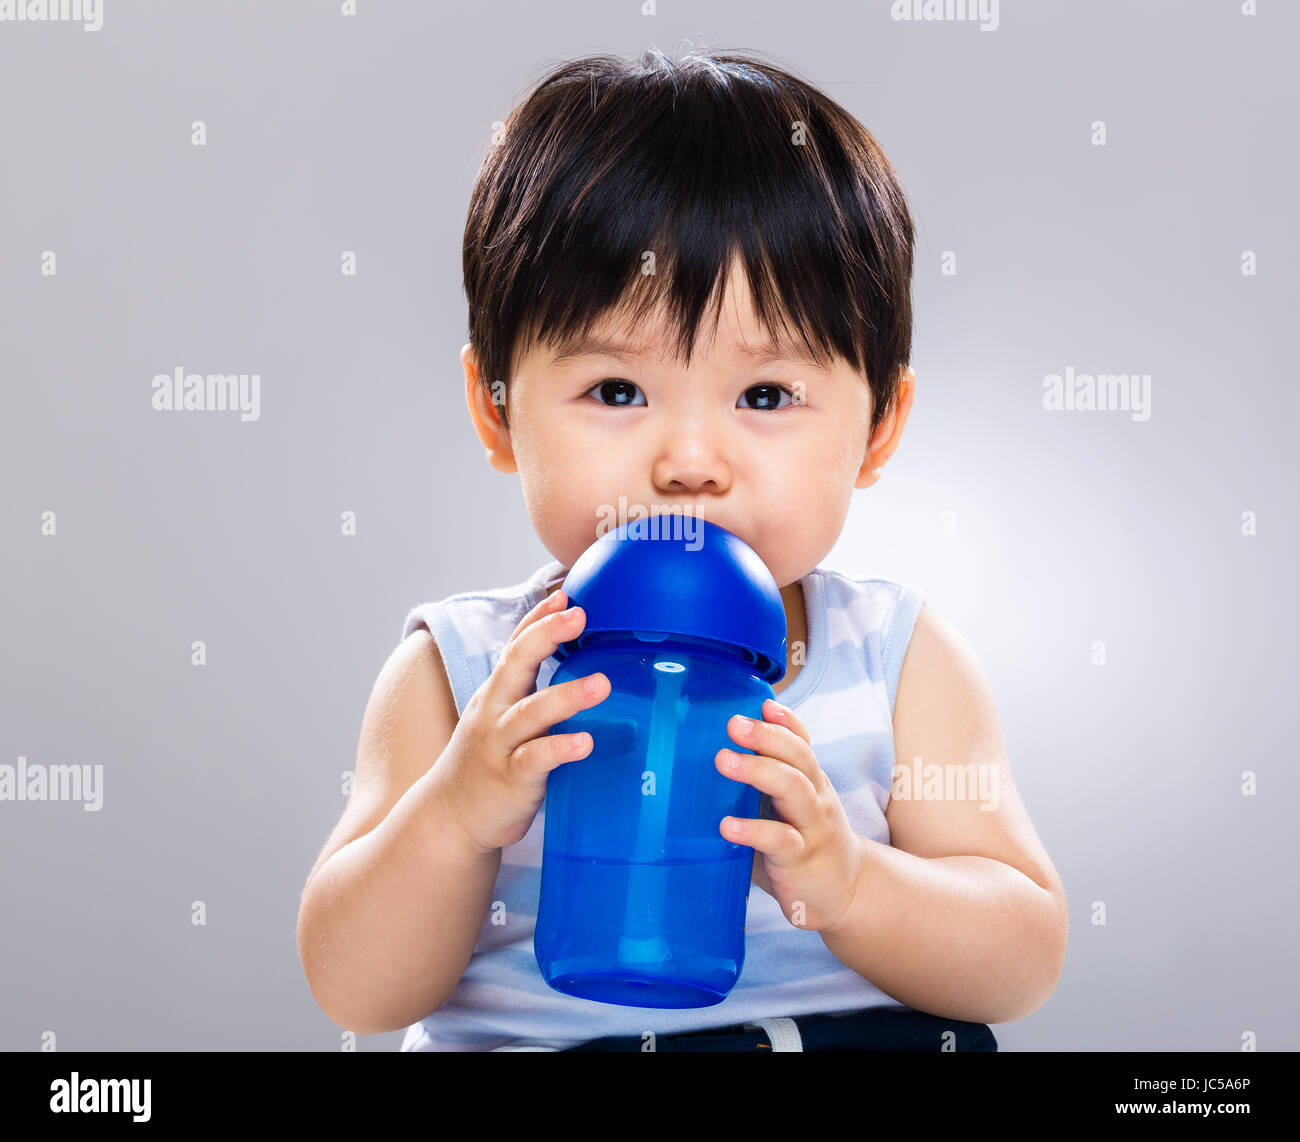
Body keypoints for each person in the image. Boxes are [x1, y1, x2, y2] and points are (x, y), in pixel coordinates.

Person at [297, 45, 1067, 1052]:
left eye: (764, 395)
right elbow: (357, 990)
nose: (690, 461)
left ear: (878, 425)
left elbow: (1019, 958)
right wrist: (453, 814)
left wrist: (853, 882)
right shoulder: (463, 672)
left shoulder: (894, 659)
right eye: (616, 391)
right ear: (496, 413)